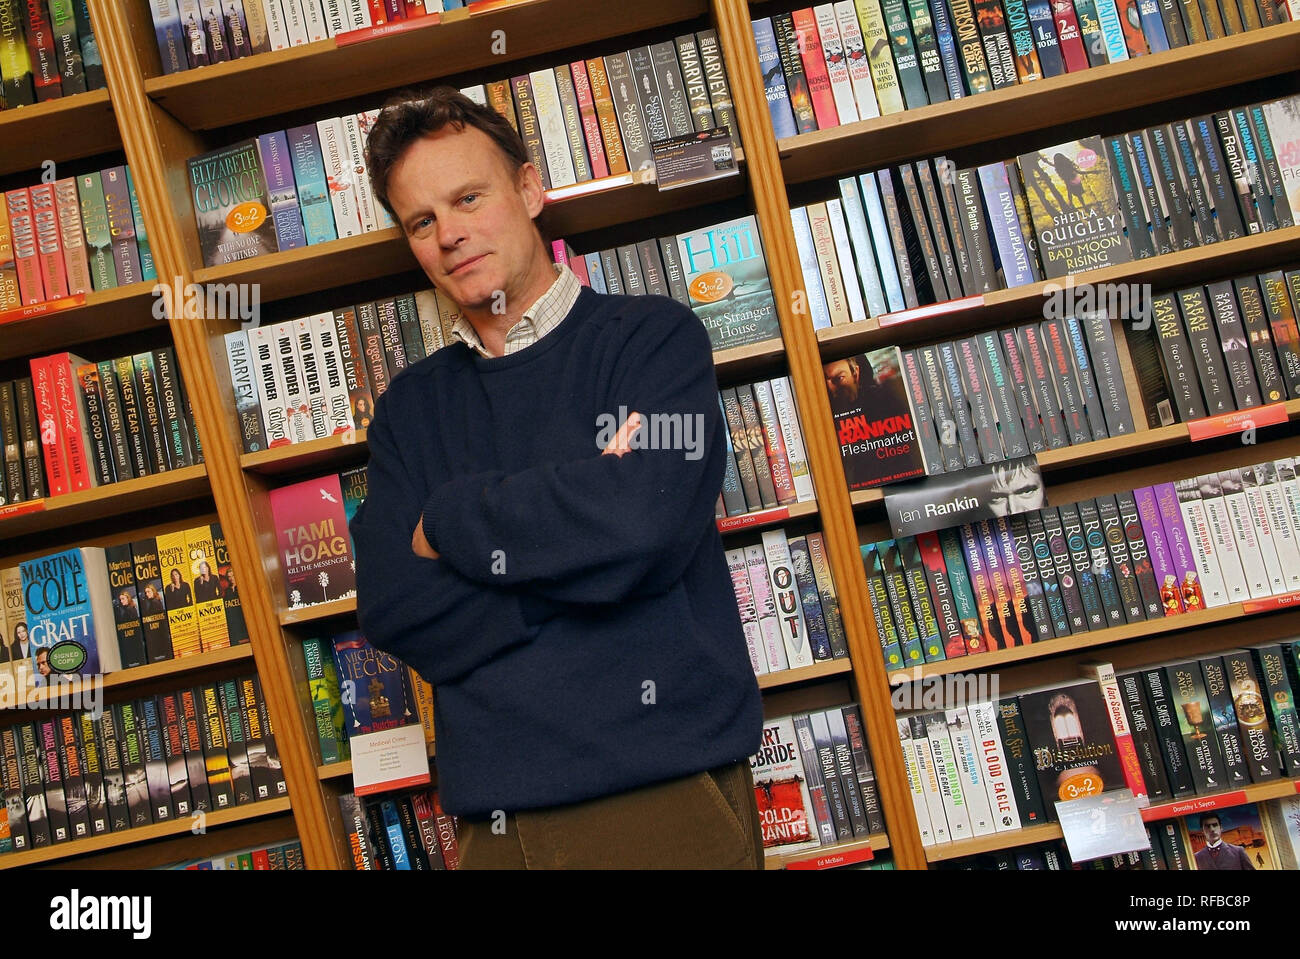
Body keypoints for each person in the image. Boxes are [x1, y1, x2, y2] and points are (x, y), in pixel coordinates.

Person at [350, 87, 764, 869]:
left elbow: (641, 522)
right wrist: (588, 552)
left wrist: (449, 520)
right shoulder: (411, 409)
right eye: (421, 221)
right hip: (499, 833)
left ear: (531, 190)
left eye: (468, 197)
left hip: (669, 802)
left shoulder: (652, 341)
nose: (450, 235)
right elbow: (396, 606)